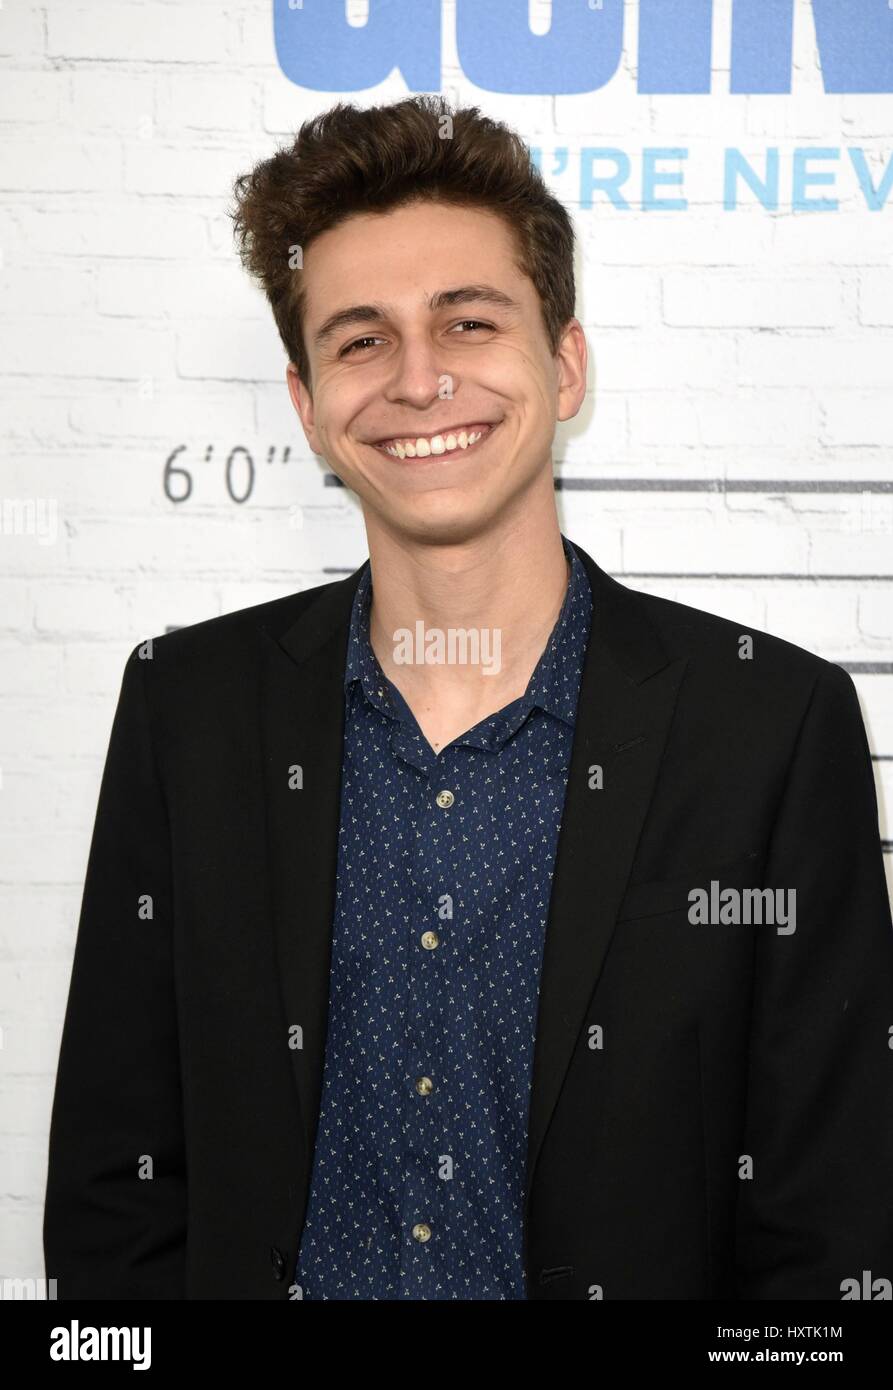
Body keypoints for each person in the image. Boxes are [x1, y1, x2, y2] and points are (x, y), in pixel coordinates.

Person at [44, 95, 893, 1300]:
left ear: (563, 361)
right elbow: (114, 1195)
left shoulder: (767, 727)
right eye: (360, 339)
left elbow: (829, 1226)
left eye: (467, 321)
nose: (420, 379)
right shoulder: (187, 713)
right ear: (307, 409)